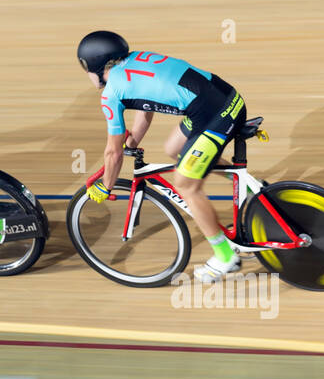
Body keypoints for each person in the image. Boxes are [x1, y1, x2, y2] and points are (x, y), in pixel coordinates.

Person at [77, 30, 247, 282]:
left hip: (212, 116)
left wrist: (106, 186)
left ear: (94, 65)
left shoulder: (111, 93)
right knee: (173, 148)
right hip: (227, 97)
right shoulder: (137, 58)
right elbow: (145, 109)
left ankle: (225, 256)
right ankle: (255, 191)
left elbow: (112, 153)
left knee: (186, 186)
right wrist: (133, 140)